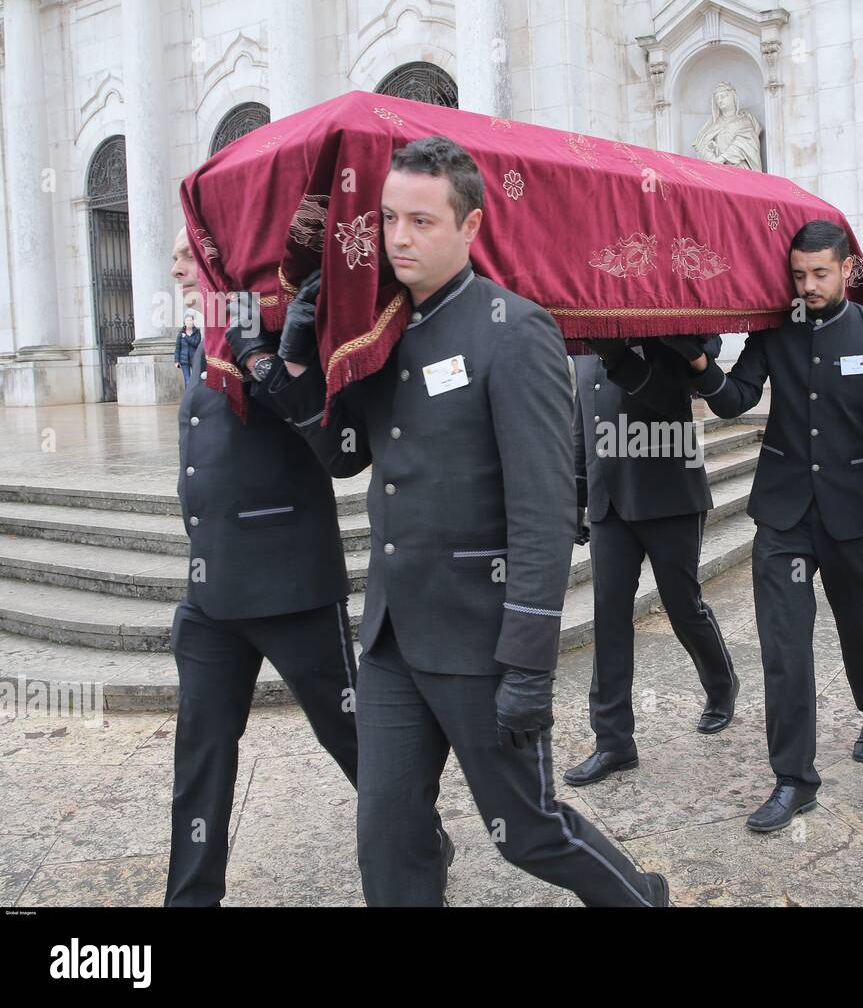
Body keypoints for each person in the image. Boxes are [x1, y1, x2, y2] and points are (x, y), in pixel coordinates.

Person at [253, 135, 668, 906]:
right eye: (388, 220)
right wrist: (301, 367)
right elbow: (347, 456)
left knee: (529, 830)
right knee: (386, 835)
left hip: (481, 640)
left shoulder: (514, 330)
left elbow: (545, 512)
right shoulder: (381, 329)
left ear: (471, 227)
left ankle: (641, 898)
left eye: (421, 221)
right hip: (392, 638)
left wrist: (529, 661)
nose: (399, 239)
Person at [166, 228, 435, 906]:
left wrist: (278, 358)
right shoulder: (201, 336)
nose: (175, 264)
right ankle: (190, 898)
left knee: (351, 736)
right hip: (209, 589)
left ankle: (421, 839)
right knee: (200, 752)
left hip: (288, 583)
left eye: (186, 252)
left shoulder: (271, 333)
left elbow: (336, 442)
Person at [670, 219, 863, 833]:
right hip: (784, 512)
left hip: (855, 513)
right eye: (799, 275)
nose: (808, 285)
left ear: (846, 271)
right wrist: (701, 361)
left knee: (862, 626)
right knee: (783, 645)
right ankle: (793, 778)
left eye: (819, 274)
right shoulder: (775, 332)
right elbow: (735, 398)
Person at [563, 335, 739, 787]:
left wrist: (619, 355)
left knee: (683, 606)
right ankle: (613, 741)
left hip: (670, 497)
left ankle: (721, 684)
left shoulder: (671, 334)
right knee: (610, 619)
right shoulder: (585, 345)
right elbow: (582, 425)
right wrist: (579, 498)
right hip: (610, 506)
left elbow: (672, 406)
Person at [174, 313, 202, 387]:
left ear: (193, 321)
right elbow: (177, 347)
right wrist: (176, 361)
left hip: (194, 359)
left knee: (196, 380)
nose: (189, 322)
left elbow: (196, 343)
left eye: (190, 320)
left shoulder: (197, 332)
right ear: (185, 322)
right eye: (187, 320)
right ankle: (188, 398)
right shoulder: (180, 333)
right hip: (184, 360)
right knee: (188, 381)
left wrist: (186, 337)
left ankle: (195, 397)